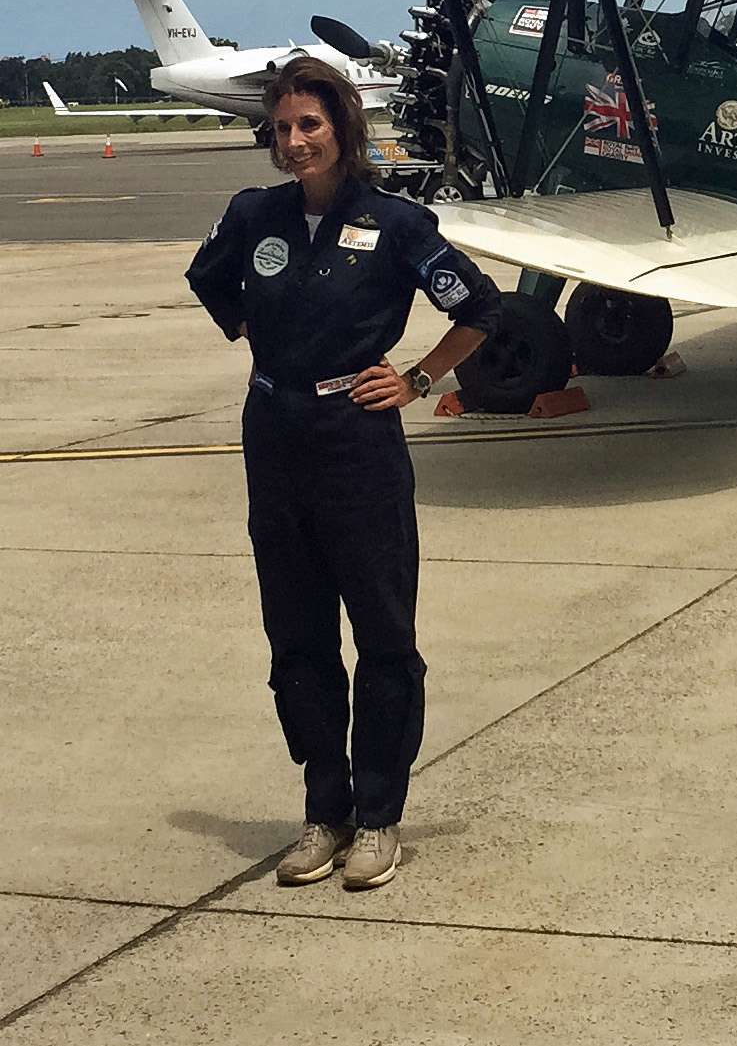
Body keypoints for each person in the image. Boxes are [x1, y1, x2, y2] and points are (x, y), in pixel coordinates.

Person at [186, 57, 501, 889]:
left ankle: (378, 816)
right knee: (295, 637)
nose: (295, 143)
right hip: (275, 437)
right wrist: (259, 333)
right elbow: (207, 279)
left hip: (357, 442)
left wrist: (419, 379)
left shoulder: (394, 223)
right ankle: (323, 810)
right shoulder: (255, 215)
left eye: (310, 125)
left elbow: (479, 306)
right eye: (283, 128)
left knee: (384, 637)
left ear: (343, 126)